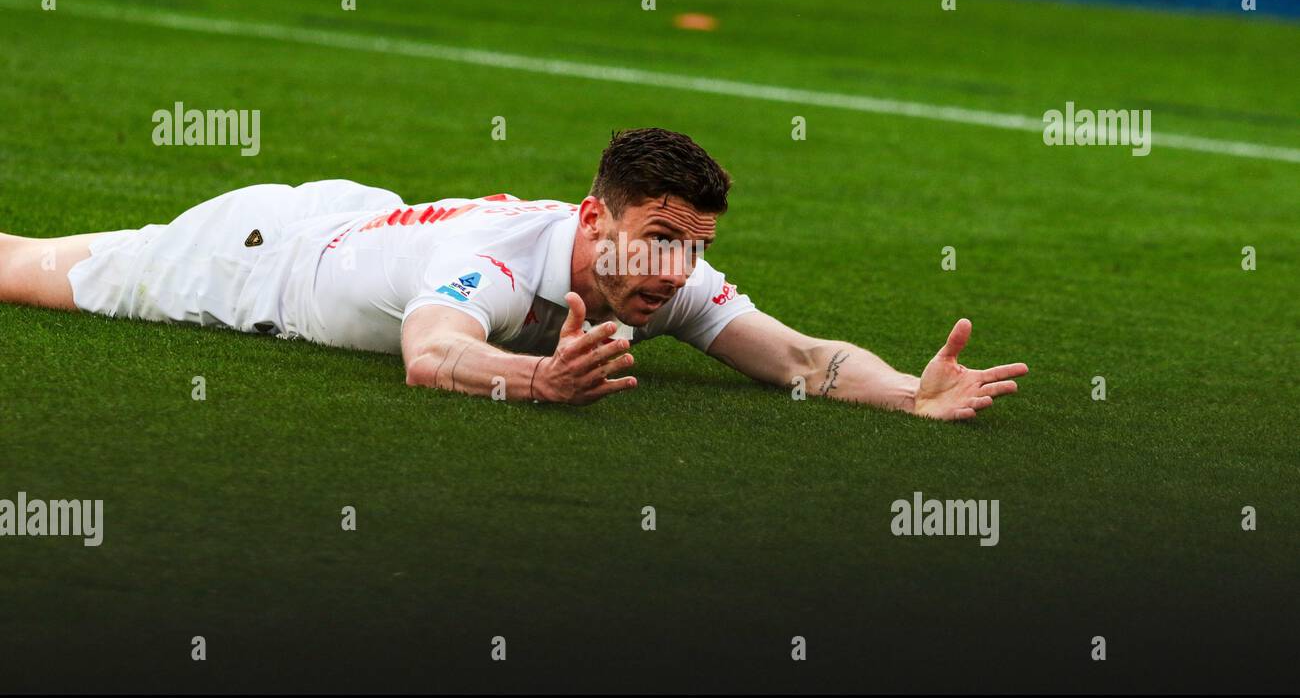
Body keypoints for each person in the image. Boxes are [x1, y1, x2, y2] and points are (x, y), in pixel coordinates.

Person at [0, 128, 1027, 415]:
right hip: (255, 263)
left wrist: (904, 390)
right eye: (661, 236)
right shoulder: (494, 264)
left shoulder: (663, 278)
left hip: (359, 220)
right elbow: (432, 354)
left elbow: (799, 356)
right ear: (596, 218)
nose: (679, 268)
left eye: (697, 245)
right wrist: (540, 379)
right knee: (31, 272)